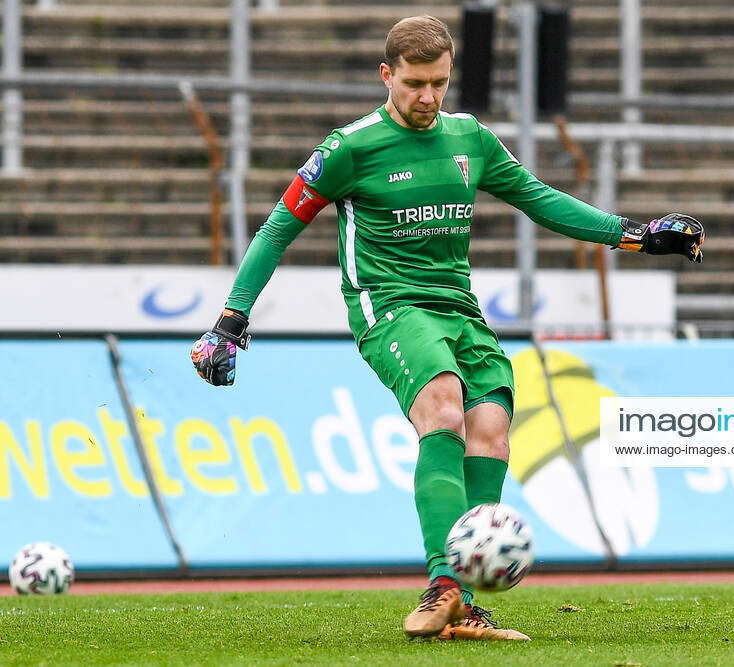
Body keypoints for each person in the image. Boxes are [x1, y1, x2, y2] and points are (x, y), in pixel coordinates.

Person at [190, 15, 704, 642]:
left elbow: (541, 199)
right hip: (391, 307)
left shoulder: (471, 139)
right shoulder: (348, 149)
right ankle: (442, 585)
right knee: (444, 408)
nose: (428, 98)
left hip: (459, 308)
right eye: (414, 84)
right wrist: (231, 317)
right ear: (387, 76)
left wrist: (637, 234)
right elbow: (278, 227)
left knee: (490, 429)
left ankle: (464, 604)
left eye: (439, 83)